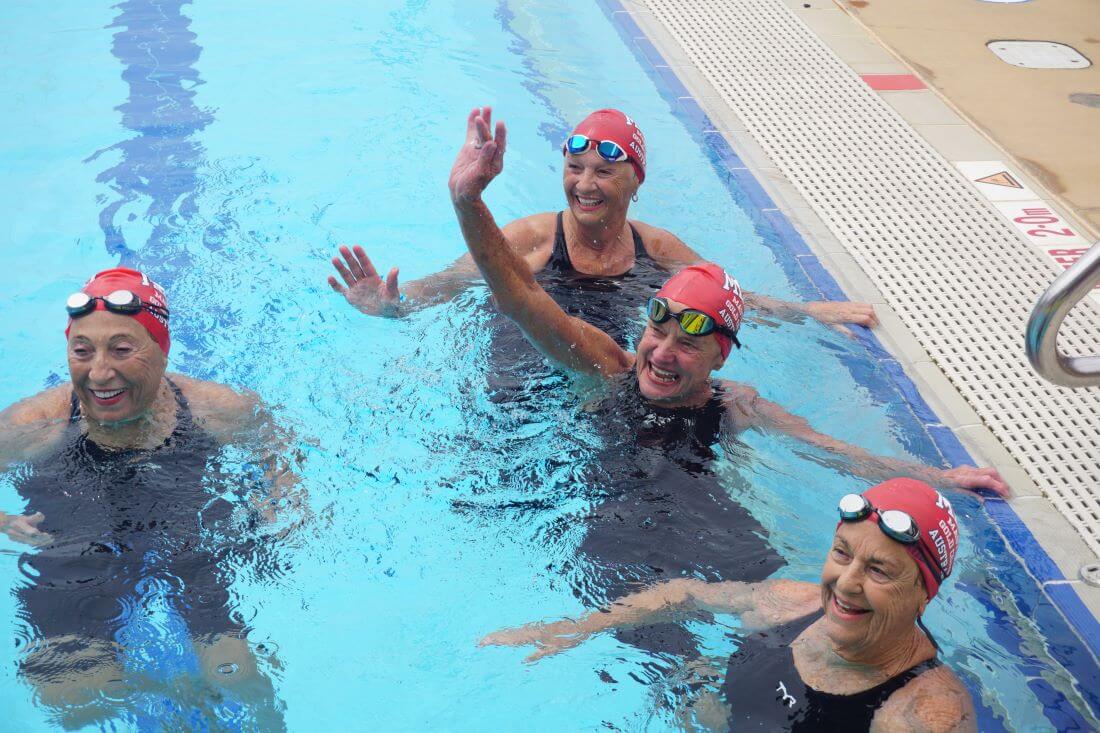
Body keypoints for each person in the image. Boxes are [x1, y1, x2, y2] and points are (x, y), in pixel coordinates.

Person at [447, 106, 1007, 496]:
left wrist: (938, 477)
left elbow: (832, 451)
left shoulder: (737, 403)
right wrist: (467, 200)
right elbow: (519, 296)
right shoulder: (612, 365)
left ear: (721, 355)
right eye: (657, 332)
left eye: (687, 341)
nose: (662, 353)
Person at [0, 267, 291, 728]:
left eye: (121, 349)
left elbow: (276, 443)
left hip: (189, 528)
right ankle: (156, 695)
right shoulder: (33, 424)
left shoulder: (218, 408)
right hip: (73, 535)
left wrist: (282, 493)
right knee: (68, 697)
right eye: (82, 351)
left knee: (244, 681)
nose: (99, 372)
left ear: (160, 351)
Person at [327, 107, 878, 339]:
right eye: (574, 168)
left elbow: (724, 301)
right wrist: (392, 304)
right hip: (522, 356)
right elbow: (448, 284)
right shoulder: (533, 238)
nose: (584, 184)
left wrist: (806, 313)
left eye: (603, 171)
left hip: (606, 365)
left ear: (635, 181)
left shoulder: (656, 247)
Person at [481, 478, 978, 733]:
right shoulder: (792, 605)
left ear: (924, 594)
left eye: (879, 570)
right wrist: (578, 628)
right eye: (842, 555)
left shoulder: (921, 714)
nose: (845, 585)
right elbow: (685, 592)